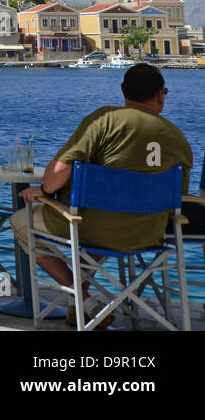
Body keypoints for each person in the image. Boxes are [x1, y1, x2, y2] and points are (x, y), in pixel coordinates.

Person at [15, 63, 193, 326]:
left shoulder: (104, 121)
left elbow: (58, 174)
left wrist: (42, 192)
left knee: (20, 222)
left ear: (123, 90)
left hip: (90, 229)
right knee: (103, 232)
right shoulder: (177, 137)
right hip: (149, 233)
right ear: (159, 95)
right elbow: (180, 196)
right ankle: (79, 304)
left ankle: (84, 300)